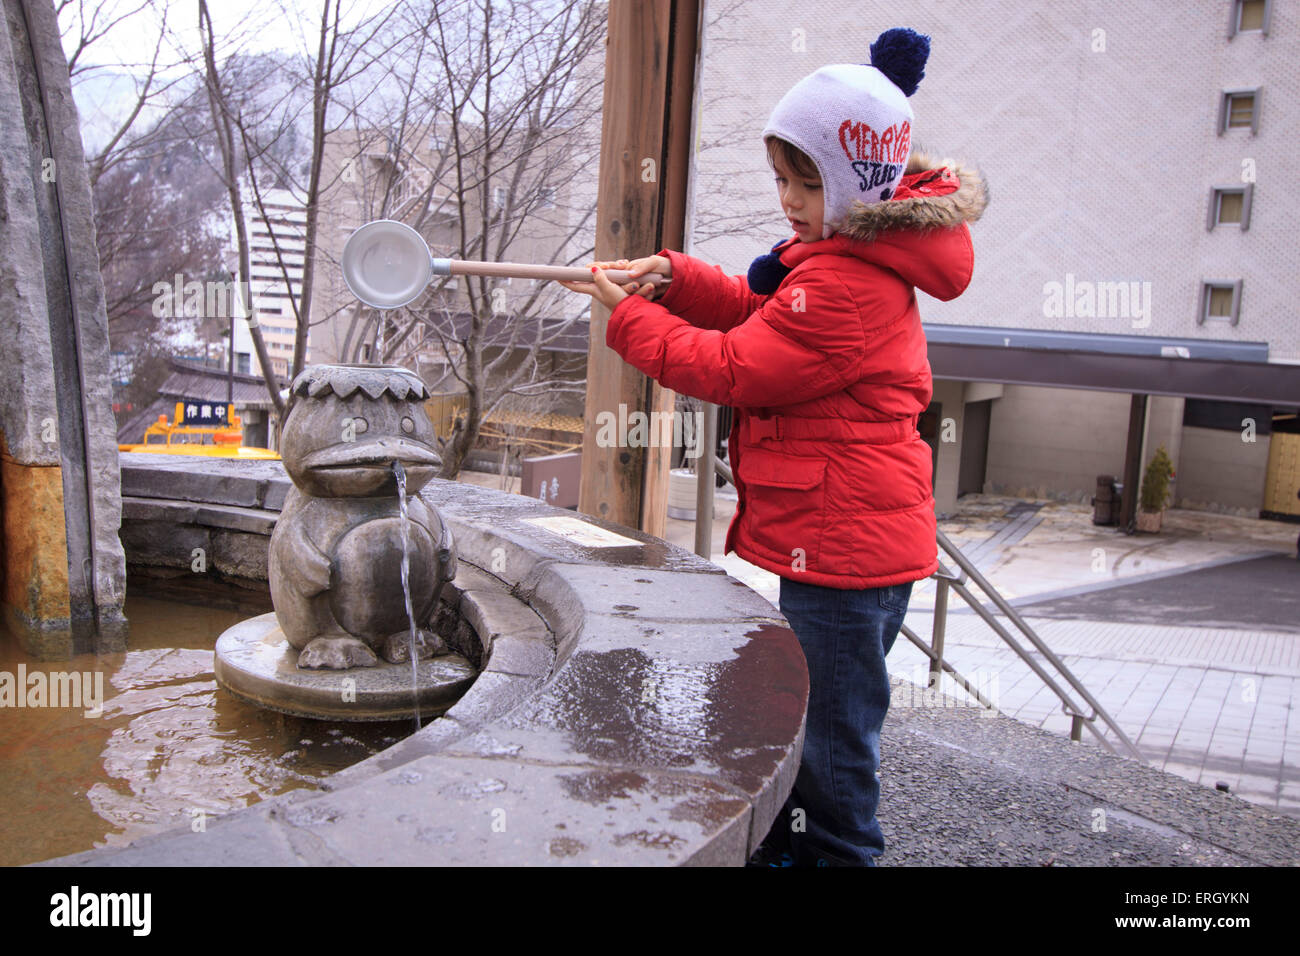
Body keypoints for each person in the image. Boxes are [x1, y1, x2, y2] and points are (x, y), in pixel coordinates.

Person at [561, 27, 987, 866]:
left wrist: (630, 319)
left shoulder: (845, 286)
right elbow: (762, 318)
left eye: (805, 181)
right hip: (846, 545)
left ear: (858, 181)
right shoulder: (843, 259)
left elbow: (733, 369)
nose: (787, 199)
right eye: (781, 179)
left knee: (831, 744)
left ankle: (836, 854)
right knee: (821, 724)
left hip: (845, 556)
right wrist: (676, 280)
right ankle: (799, 847)